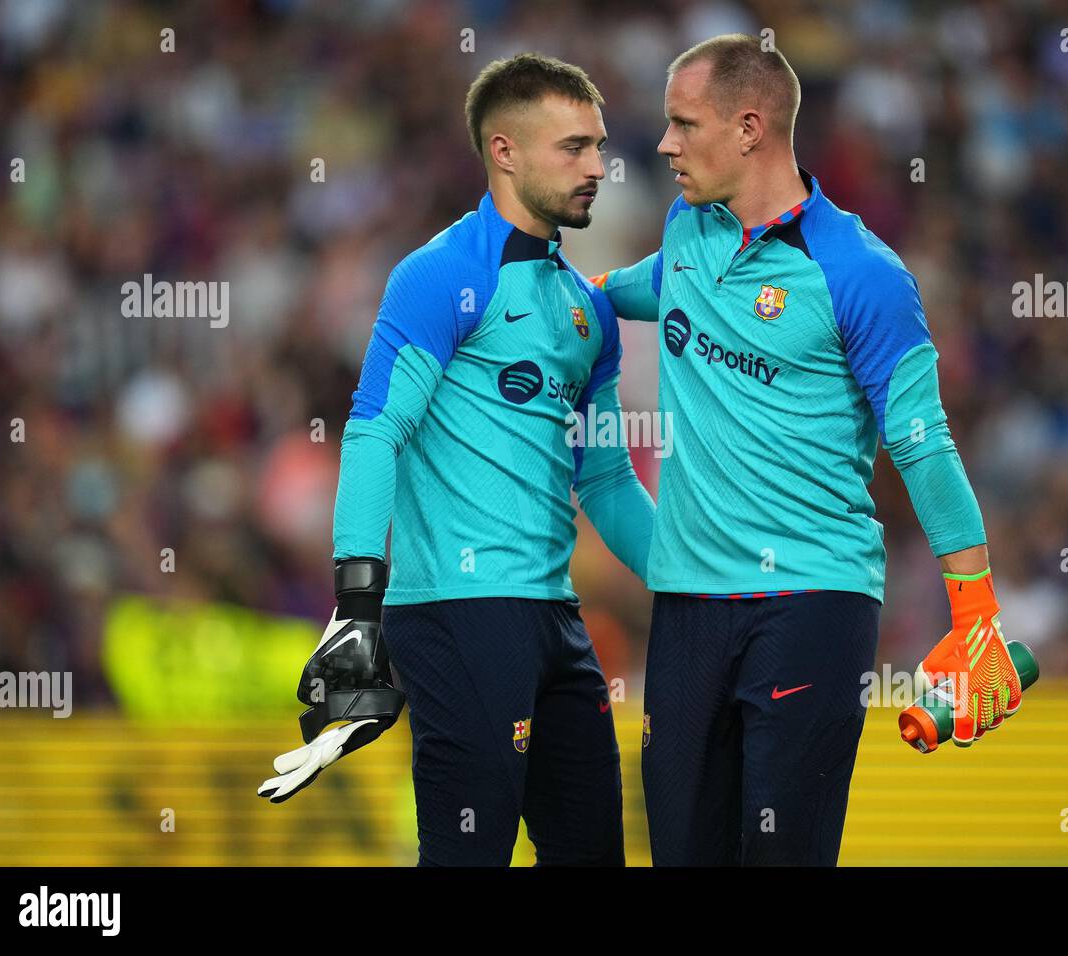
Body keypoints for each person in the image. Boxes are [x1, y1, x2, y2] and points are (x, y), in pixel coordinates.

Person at [592, 34, 1022, 865]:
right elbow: (649, 286)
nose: (663, 144)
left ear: (750, 127)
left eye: (683, 124)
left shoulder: (862, 273)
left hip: (810, 602)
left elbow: (924, 446)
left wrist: (975, 613)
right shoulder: (688, 227)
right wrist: (565, 305)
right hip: (684, 612)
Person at [259, 53, 654, 867]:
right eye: (573, 148)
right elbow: (374, 432)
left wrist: (688, 575)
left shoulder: (590, 311)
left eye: (599, 147)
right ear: (503, 151)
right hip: (457, 612)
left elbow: (608, 478)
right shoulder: (439, 277)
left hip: (556, 618)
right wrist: (357, 607)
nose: (596, 169)